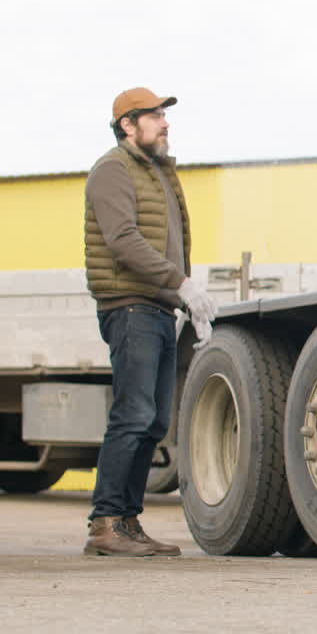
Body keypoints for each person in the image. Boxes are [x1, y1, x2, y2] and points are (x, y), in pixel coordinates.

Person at [82, 88, 217, 557]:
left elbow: (166, 241)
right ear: (127, 124)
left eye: (164, 115)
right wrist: (180, 282)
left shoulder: (156, 171)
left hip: (157, 307)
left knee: (155, 420)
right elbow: (122, 241)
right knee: (133, 415)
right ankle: (106, 524)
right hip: (130, 306)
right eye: (155, 115)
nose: (165, 123)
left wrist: (186, 301)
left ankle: (127, 521)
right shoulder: (112, 169)